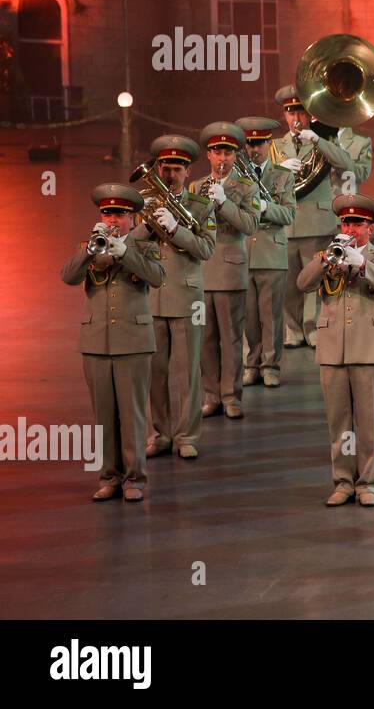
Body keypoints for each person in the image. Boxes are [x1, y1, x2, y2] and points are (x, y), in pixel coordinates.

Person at [62, 184, 166, 501]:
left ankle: (134, 478)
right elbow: (68, 276)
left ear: (132, 219)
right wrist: (91, 250)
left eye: (119, 214)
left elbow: (157, 276)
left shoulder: (145, 245)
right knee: (104, 415)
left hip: (133, 341)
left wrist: (123, 251)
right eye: (107, 213)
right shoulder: (90, 246)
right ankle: (109, 476)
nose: (112, 220)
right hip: (96, 342)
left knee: (132, 414)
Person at [297, 194, 374, 507]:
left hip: (369, 348)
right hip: (333, 350)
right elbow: (303, 284)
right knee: (339, 423)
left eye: (358, 223)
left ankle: (367, 482)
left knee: (368, 423)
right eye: (347, 222)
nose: (351, 228)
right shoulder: (327, 255)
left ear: (370, 228)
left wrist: (364, 264)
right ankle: (343, 481)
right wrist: (326, 259)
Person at [272, 85, 373, 349]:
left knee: (317, 278)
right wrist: (276, 168)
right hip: (286, 222)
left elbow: (347, 166)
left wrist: (317, 140)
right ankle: (292, 331)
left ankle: (314, 328)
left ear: (309, 115)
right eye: (289, 111)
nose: (295, 117)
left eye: (300, 112)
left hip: (316, 221)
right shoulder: (276, 146)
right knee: (289, 284)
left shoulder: (323, 141)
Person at [133, 136, 214, 460]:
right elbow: (134, 247)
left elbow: (206, 249)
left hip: (187, 296)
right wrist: (149, 226)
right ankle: (161, 433)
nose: (169, 175)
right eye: (164, 168)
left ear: (188, 171)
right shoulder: (145, 204)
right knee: (156, 371)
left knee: (188, 372)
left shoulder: (200, 206)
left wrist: (176, 228)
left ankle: (186, 435)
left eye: (176, 169)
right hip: (153, 297)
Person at [193, 122, 259, 419]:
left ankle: (232, 396)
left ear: (236, 156)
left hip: (231, 271)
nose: (223, 158)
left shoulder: (246, 186)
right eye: (217, 152)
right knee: (206, 339)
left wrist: (224, 203)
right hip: (203, 271)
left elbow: (250, 225)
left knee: (232, 339)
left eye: (228, 153)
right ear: (208, 155)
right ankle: (211, 395)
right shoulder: (195, 187)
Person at [236, 116, 297, 390]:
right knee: (248, 315)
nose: (254, 149)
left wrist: (264, 208)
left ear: (269, 144)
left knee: (271, 315)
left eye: (259, 143)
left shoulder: (282, 176)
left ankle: (271, 365)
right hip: (245, 251)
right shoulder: (237, 178)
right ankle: (252, 363)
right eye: (249, 144)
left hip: (272, 253)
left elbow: (289, 214)